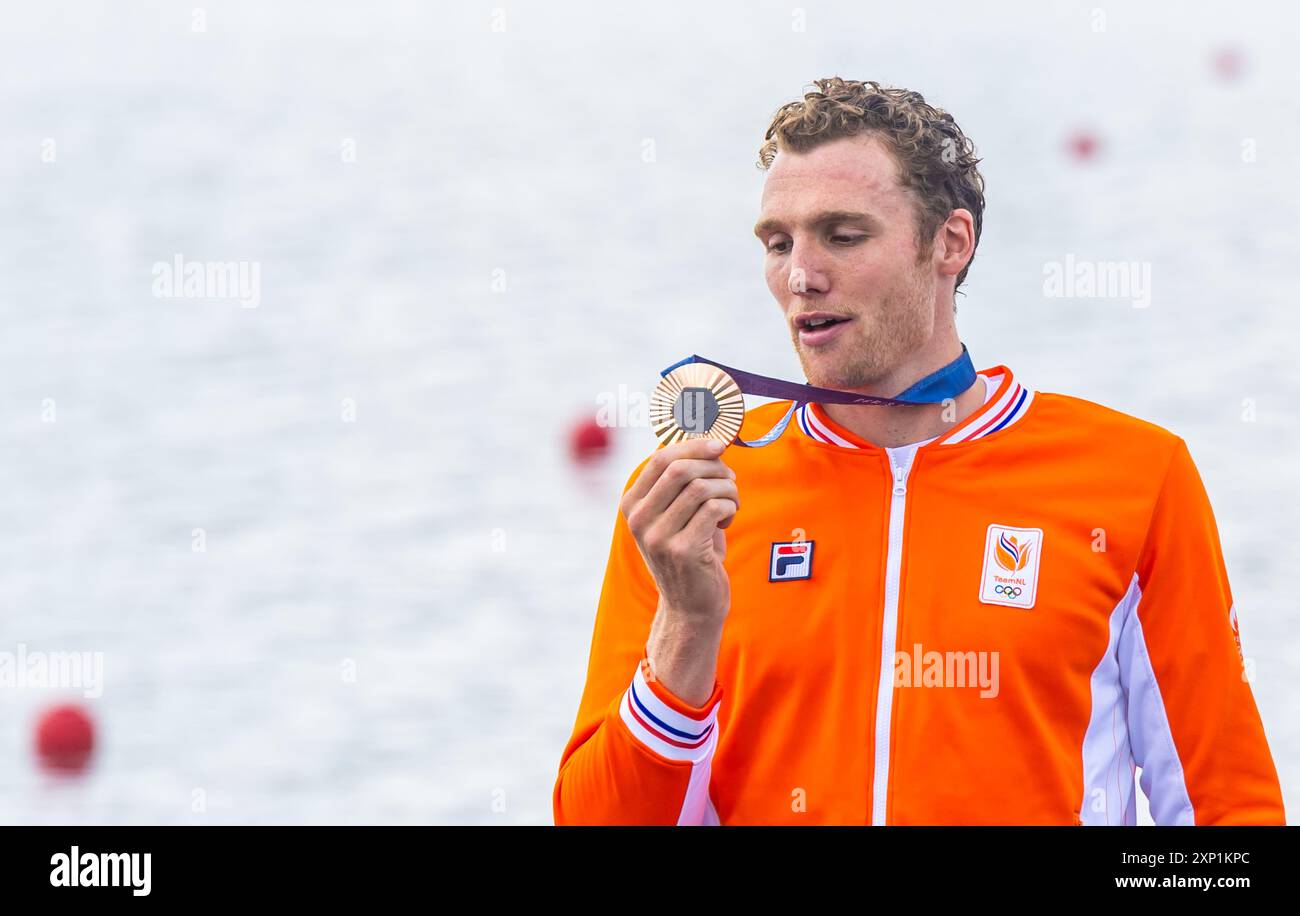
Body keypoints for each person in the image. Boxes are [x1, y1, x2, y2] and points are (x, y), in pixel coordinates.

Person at [553, 77, 1285, 825]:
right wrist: (686, 629)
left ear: (950, 243)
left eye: (842, 235)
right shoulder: (690, 499)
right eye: (779, 243)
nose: (800, 274)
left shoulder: (1134, 476)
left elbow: (1226, 817)